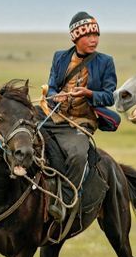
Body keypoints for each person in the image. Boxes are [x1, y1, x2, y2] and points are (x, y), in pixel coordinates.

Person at [43, 12, 118, 220]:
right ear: (75, 37)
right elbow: (51, 87)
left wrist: (89, 94)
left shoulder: (105, 62)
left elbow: (109, 97)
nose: (93, 39)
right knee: (19, 134)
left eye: (96, 35)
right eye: (88, 35)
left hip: (81, 121)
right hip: (55, 116)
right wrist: (54, 96)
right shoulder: (60, 57)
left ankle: (65, 202)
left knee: (77, 154)